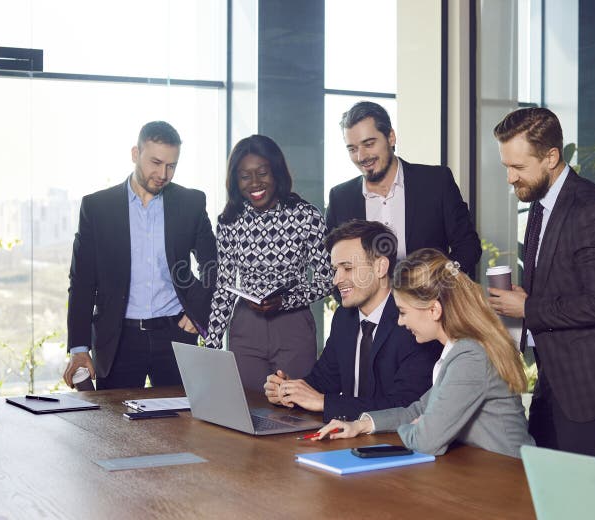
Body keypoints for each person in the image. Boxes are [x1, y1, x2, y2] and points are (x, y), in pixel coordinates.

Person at [488, 107, 595, 457]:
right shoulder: (541, 205)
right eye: (506, 167)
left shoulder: (592, 211)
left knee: (591, 505)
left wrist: (527, 306)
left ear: (551, 156)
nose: (510, 178)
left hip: (592, 393)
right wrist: (530, 297)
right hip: (553, 384)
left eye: (518, 167)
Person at [314, 249, 533, 458]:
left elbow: (427, 441)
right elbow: (418, 409)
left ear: (434, 310)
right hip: (483, 472)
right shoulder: (458, 350)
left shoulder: (470, 356)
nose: (400, 321)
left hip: (510, 479)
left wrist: (421, 426)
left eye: (403, 312)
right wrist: (361, 424)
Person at [63, 121, 217, 390]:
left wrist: (198, 313)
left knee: (180, 428)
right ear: (135, 154)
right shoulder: (97, 208)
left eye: (171, 165)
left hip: (176, 335)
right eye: (155, 162)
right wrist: (79, 348)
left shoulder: (191, 203)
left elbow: (213, 264)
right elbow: (82, 281)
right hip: (118, 339)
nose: (163, 173)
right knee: (113, 429)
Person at [265, 220, 441, 422]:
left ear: (380, 267)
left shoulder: (413, 321)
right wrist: (288, 390)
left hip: (396, 442)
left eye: (347, 268)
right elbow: (323, 380)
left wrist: (324, 402)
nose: (336, 280)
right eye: (335, 270)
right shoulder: (344, 318)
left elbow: (406, 405)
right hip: (346, 438)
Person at [204, 135, 333, 390]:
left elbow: (327, 280)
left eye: (262, 172)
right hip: (245, 326)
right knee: (247, 409)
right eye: (245, 176)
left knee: (294, 407)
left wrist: (286, 301)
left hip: (293, 325)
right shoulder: (229, 221)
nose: (255, 183)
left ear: (276, 172)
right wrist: (212, 344)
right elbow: (224, 287)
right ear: (235, 180)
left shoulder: (307, 216)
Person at [325, 101, 482, 278]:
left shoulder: (436, 182)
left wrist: (443, 279)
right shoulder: (340, 198)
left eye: (369, 144)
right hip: (365, 306)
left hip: (432, 302)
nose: (361, 157)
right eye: (352, 149)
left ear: (391, 137)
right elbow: (331, 264)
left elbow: (468, 246)